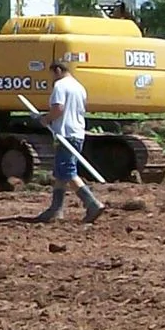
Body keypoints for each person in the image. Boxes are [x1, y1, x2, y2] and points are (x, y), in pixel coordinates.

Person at [34, 63, 106, 224]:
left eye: (52, 74)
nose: (52, 79)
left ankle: (92, 203)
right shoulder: (79, 87)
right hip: (77, 133)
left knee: (67, 171)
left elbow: (58, 108)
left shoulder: (60, 85)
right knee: (61, 173)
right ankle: (55, 209)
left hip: (65, 134)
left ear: (58, 70)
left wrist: (46, 119)